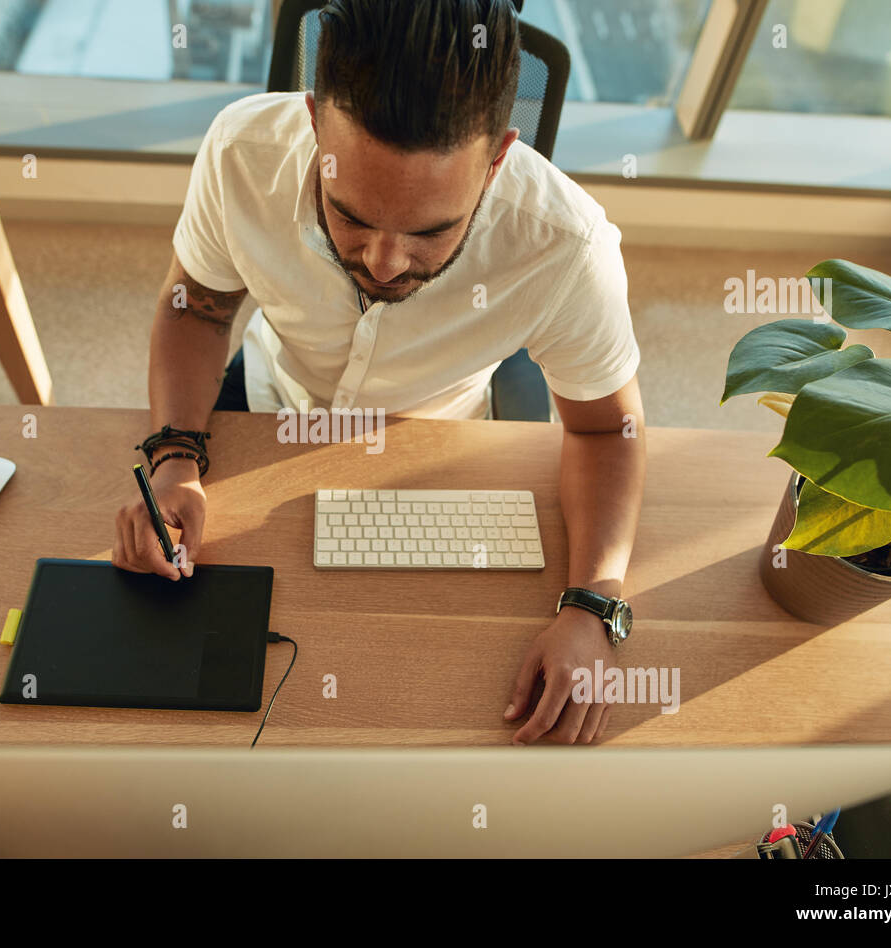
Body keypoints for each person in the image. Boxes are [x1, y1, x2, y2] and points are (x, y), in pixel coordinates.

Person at [113, 0, 645, 745]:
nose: (383, 264)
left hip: (438, 443)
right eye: (352, 216)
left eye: (430, 230)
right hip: (263, 407)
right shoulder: (240, 151)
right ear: (311, 123)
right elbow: (198, 310)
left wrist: (593, 606)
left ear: (496, 158)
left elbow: (607, 430)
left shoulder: (566, 245)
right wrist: (173, 458)